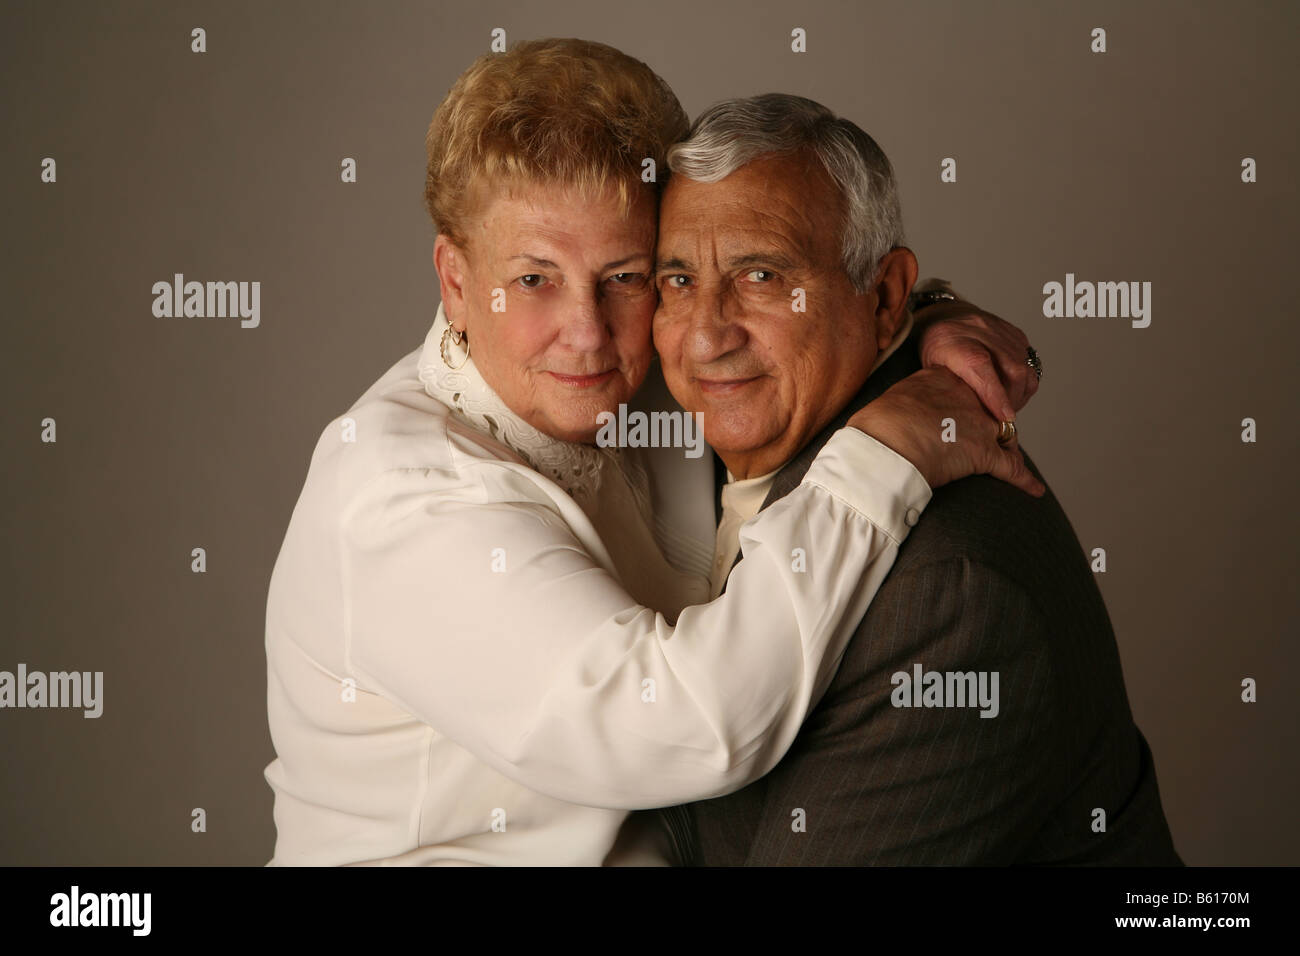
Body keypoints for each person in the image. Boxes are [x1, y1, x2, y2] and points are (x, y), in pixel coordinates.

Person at [263, 38, 1042, 866]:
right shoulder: (399, 494)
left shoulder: (631, 380)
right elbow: (687, 725)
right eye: (533, 279)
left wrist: (926, 319)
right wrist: (886, 455)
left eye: (627, 276)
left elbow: (778, 318)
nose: (587, 331)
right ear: (455, 280)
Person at [652, 93, 1181, 865]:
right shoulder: (678, 443)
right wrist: (940, 312)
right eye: (675, 281)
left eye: (761, 275)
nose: (705, 334)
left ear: (885, 294)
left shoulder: (947, 600)